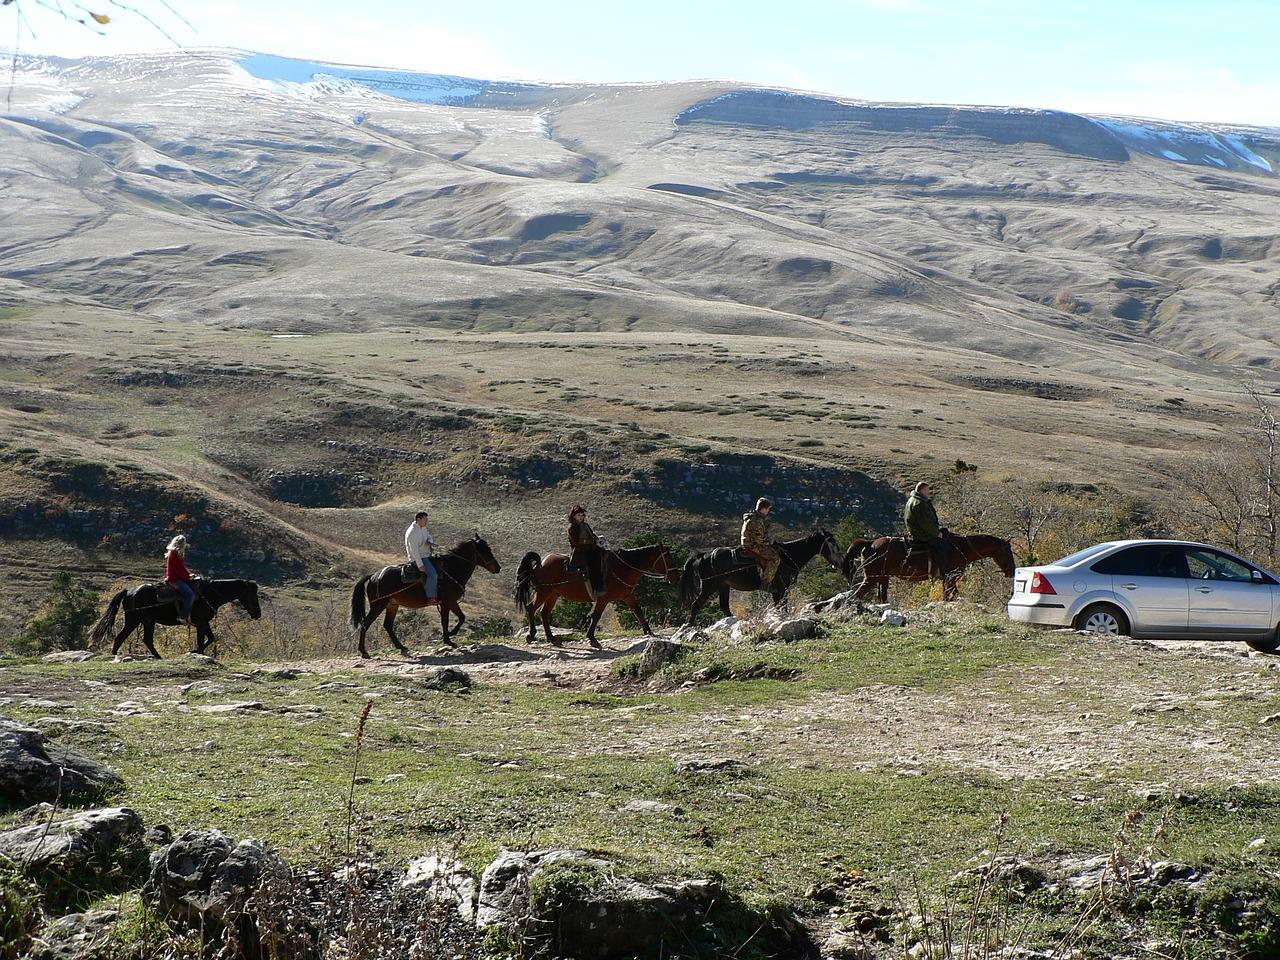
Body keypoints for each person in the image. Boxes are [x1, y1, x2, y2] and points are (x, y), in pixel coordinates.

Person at [904, 481, 949, 579]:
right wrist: (936, 533)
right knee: (943, 546)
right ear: (923, 490)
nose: (929, 492)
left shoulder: (912, 500)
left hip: (916, 532)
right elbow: (925, 524)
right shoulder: (919, 504)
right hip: (922, 535)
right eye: (927, 490)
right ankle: (942, 572)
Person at [741, 497, 782, 588]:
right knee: (775, 558)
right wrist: (770, 542)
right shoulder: (756, 521)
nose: (768, 511)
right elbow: (759, 540)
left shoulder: (755, 518)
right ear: (763, 509)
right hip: (752, 545)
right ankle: (765, 583)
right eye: (768, 509)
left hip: (750, 543)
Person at [567, 504, 606, 599]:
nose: (581, 517)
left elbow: (592, 535)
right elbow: (577, 542)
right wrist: (593, 541)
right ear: (573, 516)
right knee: (593, 564)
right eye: (579, 515)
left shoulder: (585, 525)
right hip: (580, 551)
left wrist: (598, 539)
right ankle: (596, 588)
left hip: (591, 548)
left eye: (582, 515)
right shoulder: (572, 527)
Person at [404, 510, 438, 601]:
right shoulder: (412, 532)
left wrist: (430, 540)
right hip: (419, 558)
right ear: (418, 520)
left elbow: (428, 535)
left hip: (426, 555)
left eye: (427, 520)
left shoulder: (423, 528)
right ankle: (430, 597)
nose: (426, 521)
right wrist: (420, 565)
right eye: (425, 520)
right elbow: (414, 551)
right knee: (433, 574)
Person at [165, 534, 197, 625]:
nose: (183, 545)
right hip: (174, 580)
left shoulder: (175, 553)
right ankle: (182, 616)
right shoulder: (175, 553)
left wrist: (189, 574)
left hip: (177, 578)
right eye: (182, 543)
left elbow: (182, 568)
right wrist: (188, 577)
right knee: (191, 595)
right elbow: (178, 570)